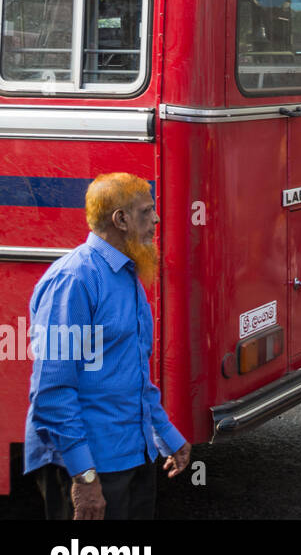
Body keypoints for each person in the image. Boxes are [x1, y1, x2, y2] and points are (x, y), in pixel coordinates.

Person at [25, 173, 191, 519]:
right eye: (147, 211)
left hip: (134, 454)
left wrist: (166, 435)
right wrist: (85, 478)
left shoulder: (127, 273)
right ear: (121, 219)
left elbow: (134, 376)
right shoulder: (73, 281)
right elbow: (52, 393)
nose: (157, 219)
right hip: (90, 465)